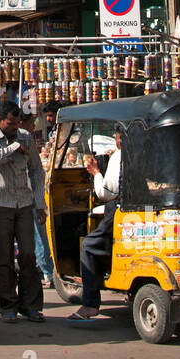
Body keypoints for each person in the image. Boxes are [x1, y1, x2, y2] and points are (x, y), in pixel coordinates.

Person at [0, 101, 46, 324]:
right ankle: (7, 305)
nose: (16, 127)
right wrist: (14, 148)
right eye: (11, 123)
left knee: (28, 255)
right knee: (2, 258)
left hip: (24, 204)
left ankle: (31, 305)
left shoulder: (26, 136)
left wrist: (40, 203)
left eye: (18, 123)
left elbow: (37, 171)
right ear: (0, 121)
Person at [69, 127, 123, 320]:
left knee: (90, 246)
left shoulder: (120, 156)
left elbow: (105, 193)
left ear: (120, 136)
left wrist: (95, 173)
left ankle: (90, 304)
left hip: (118, 209)